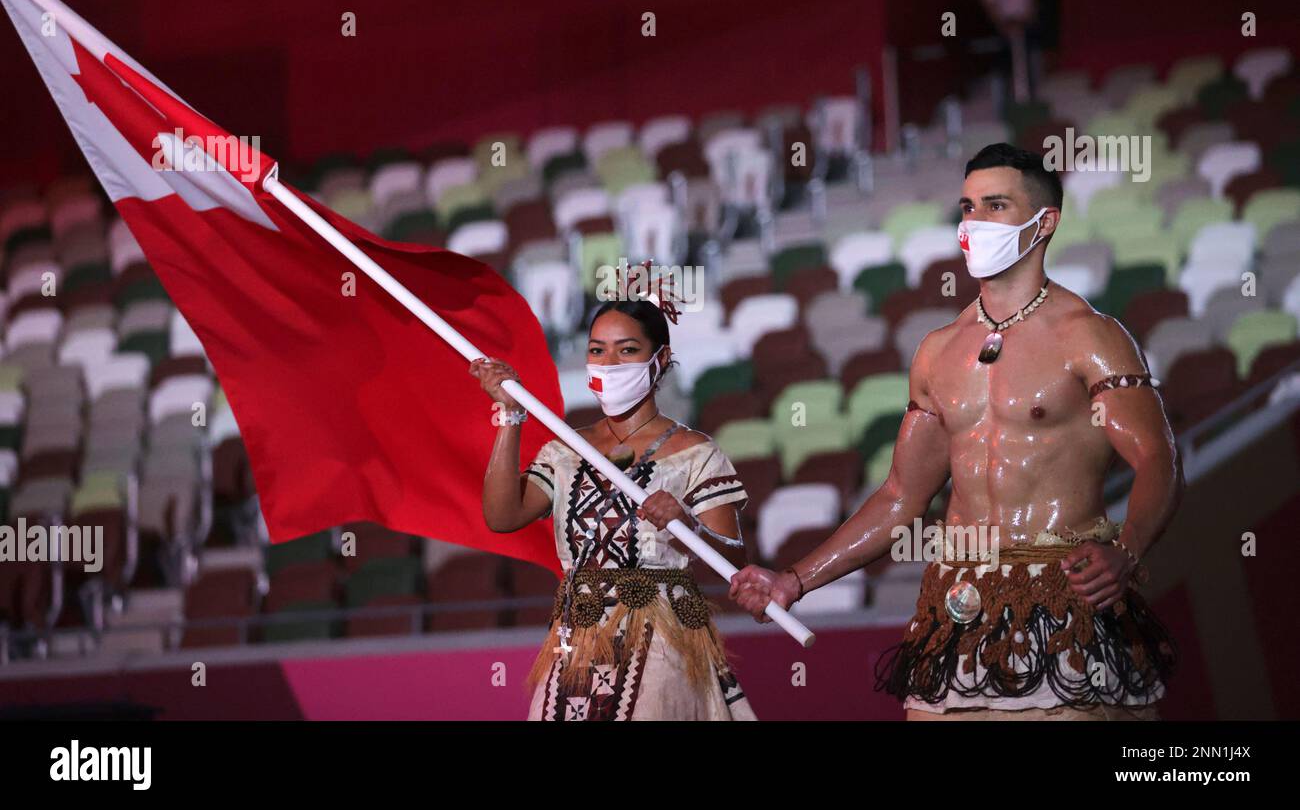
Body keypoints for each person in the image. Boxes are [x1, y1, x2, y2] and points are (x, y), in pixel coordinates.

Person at [731, 143, 1181, 720]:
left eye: (995, 206)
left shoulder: (1090, 336)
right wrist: (793, 580)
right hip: (957, 611)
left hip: (1067, 605)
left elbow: (1159, 459)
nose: (974, 222)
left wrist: (1126, 549)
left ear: (1045, 223)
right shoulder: (938, 352)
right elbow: (900, 497)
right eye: (967, 207)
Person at [471, 278, 756, 720]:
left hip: (664, 638)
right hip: (574, 639)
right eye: (597, 349)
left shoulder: (696, 451)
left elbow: (732, 553)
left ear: (659, 359)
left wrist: (686, 526)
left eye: (627, 350)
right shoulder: (566, 447)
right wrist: (510, 414)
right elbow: (502, 515)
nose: (609, 362)